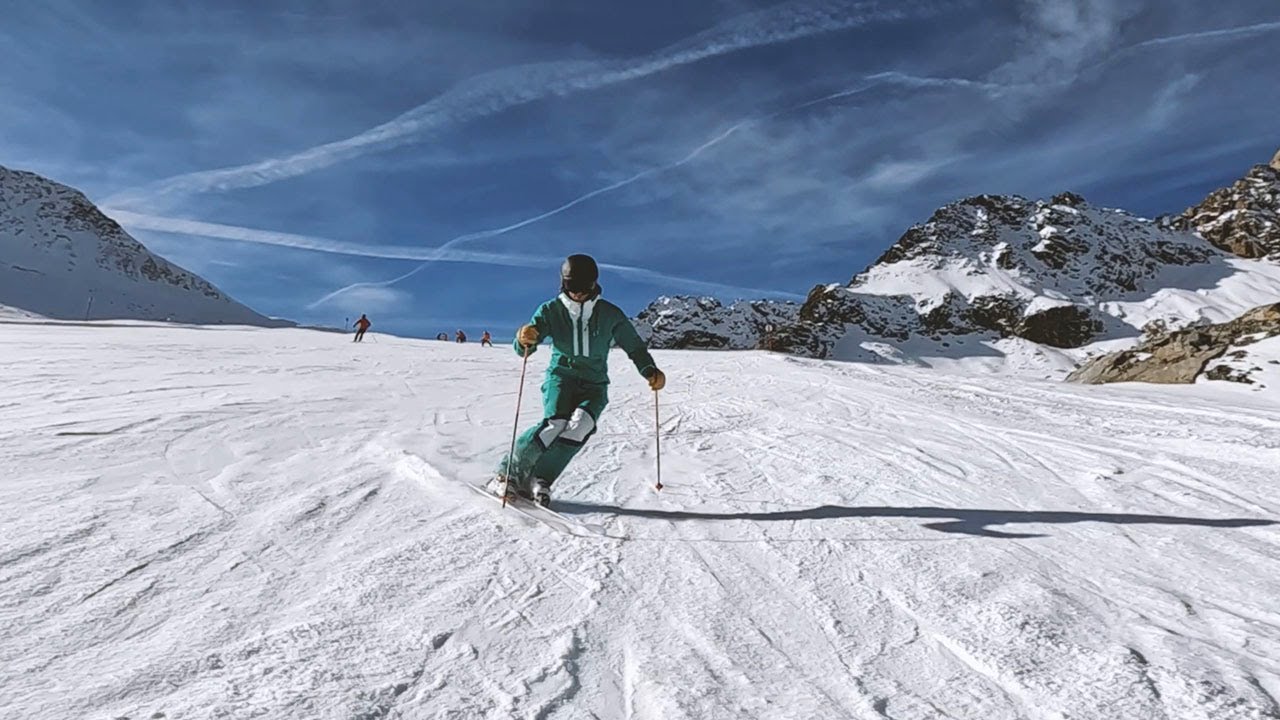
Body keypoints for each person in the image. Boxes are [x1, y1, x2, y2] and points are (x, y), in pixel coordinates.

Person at [494, 254, 665, 507]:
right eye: (572, 288)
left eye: (583, 288)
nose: (578, 294)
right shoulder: (551, 310)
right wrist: (523, 339)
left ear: (594, 285)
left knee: (581, 426)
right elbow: (526, 347)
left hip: (594, 384)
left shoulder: (610, 315)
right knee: (555, 423)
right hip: (561, 377)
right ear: (564, 285)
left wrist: (650, 370)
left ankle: (540, 478)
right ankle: (507, 472)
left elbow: (634, 346)